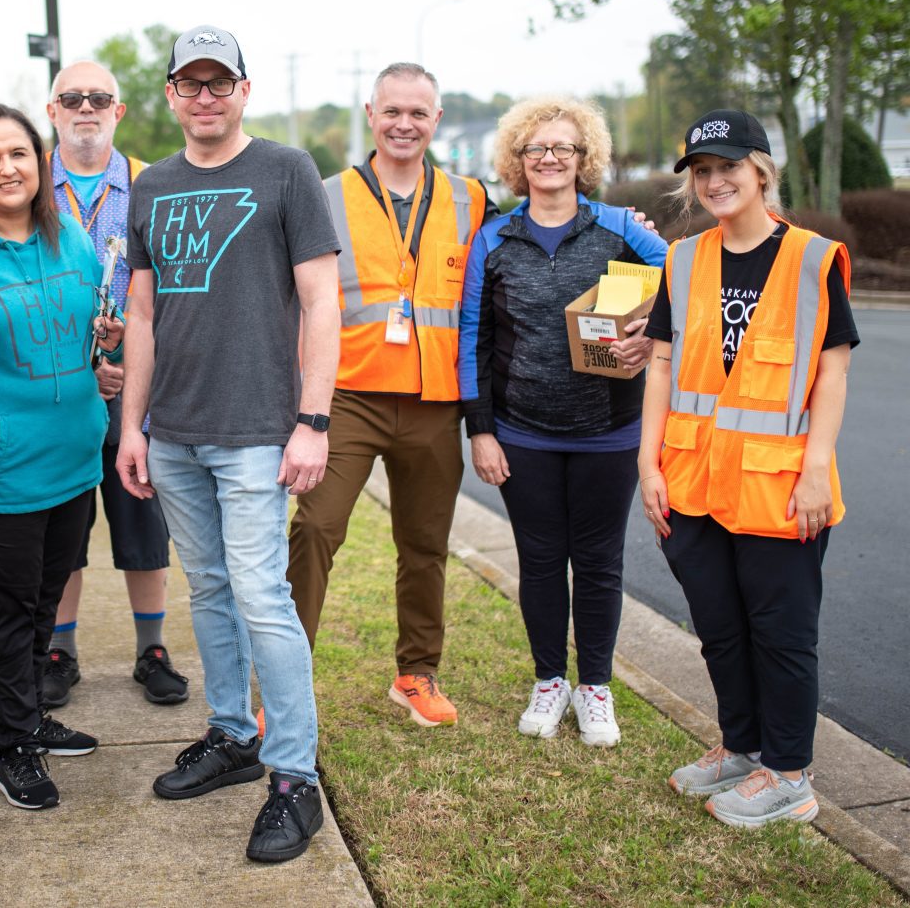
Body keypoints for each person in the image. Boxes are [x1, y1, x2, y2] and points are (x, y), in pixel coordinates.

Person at [117, 25, 340, 863]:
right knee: (208, 589)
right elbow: (142, 314)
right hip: (173, 431)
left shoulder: (284, 171)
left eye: (220, 82)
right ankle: (232, 735)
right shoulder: (153, 185)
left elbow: (322, 303)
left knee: (261, 596)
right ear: (172, 95)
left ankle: (293, 777)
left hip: (256, 432)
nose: (205, 96)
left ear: (244, 90)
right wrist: (132, 425)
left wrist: (312, 420)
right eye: (190, 83)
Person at [640, 110, 856, 827]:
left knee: (781, 630)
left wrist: (819, 466)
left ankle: (790, 774)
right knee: (721, 627)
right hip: (694, 480)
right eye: (701, 170)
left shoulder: (812, 259)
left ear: (761, 171)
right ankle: (743, 746)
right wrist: (649, 463)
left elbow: (831, 368)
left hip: (780, 482)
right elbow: (663, 364)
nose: (714, 180)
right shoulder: (684, 259)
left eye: (728, 166)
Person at [287, 62, 494, 728]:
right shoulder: (323, 194)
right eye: (392, 111)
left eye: (419, 113)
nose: (405, 123)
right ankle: (287, 684)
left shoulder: (472, 198)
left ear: (436, 120)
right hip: (348, 395)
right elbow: (295, 300)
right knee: (316, 526)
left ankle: (417, 675)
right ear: (371, 115)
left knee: (425, 542)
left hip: (434, 399)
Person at [458, 95, 667, 749]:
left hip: (609, 430)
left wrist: (645, 329)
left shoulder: (619, 228)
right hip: (523, 432)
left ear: (584, 159)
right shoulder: (494, 237)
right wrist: (481, 429)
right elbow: (473, 335)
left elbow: (686, 276)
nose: (550, 158)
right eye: (536, 149)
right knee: (541, 561)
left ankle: (595, 686)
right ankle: (550, 679)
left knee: (600, 562)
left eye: (563, 148)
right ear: (518, 162)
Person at [0, 103, 122, 811]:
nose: (8, 168)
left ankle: (31, 718)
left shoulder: (71, 238)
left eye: (19, 153)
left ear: (37, 162)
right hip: (5, 472)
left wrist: (107, 345)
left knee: (47, 603)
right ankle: (12, 745)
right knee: (7, 615)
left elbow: (93, 338)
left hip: (75, 462)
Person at [43, 60, 186, 709]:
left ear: (119, 111)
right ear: (52, 111)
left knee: (142, 524)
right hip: (58, 389)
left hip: (134, 386)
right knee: (65, 531)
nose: (86, 107)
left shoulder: (153, 187)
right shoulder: (28, 185)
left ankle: (151, 648)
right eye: (71, 97)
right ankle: (59, 649)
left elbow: (174, 291)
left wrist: (134, 360)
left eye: (100, 97)